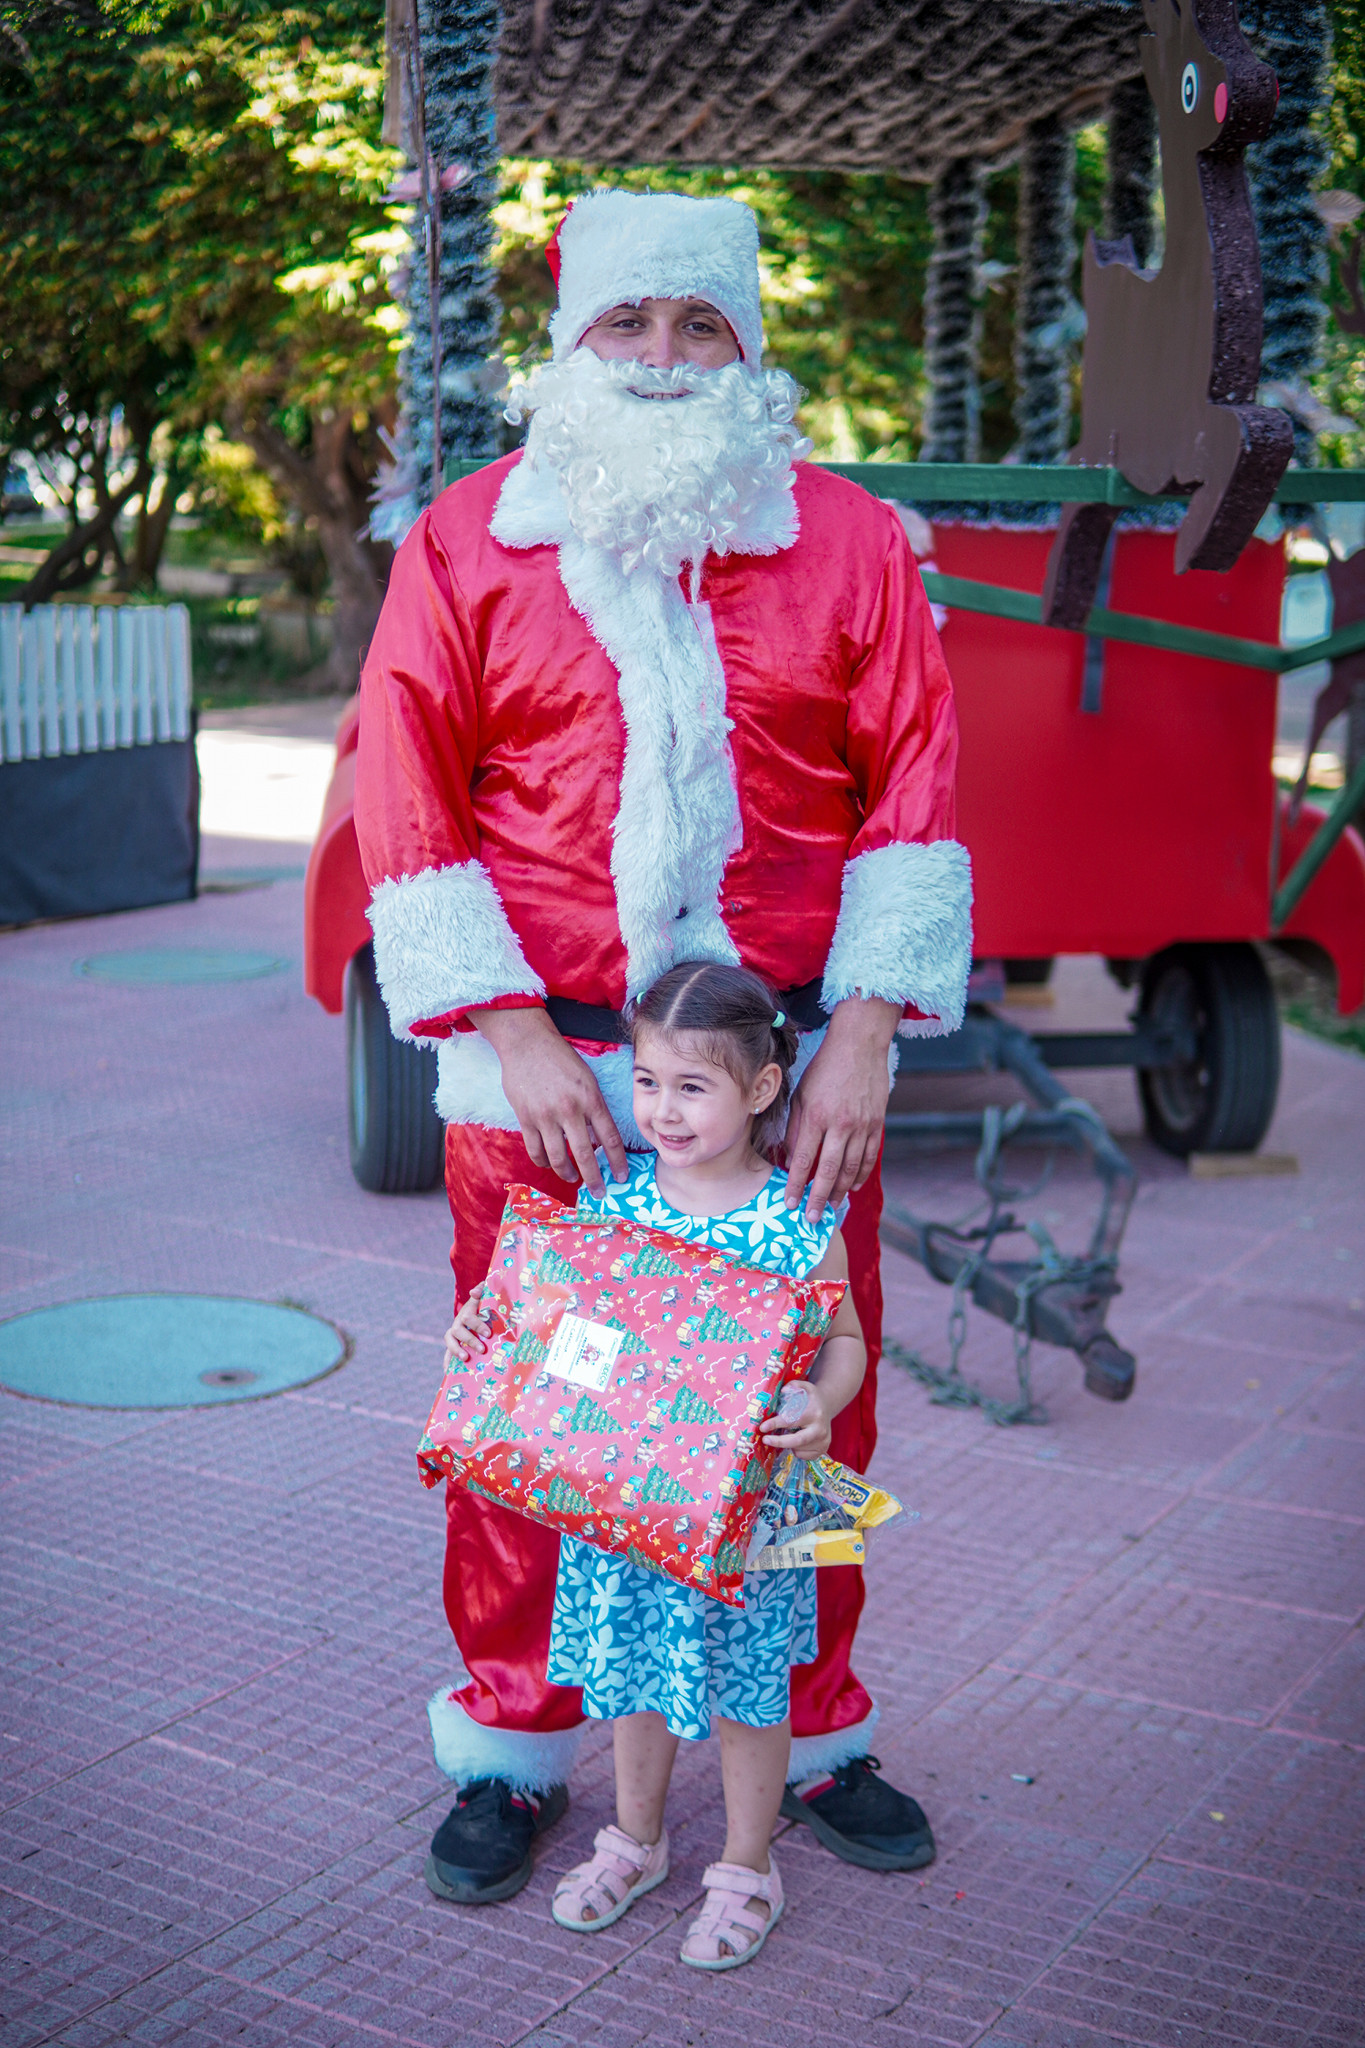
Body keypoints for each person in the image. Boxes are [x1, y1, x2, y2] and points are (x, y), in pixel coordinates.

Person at [354, 186, 972, 1904]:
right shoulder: (466, 541)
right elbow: (408, 785)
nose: (662, 354)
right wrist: (506, 1028)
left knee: (806, 1421)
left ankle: (816, 1727)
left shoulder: (850, 539)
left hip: (787, 1092)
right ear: (572, 341)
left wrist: (865, 1027)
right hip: (541, 1085)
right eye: (627, 321)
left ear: (748, 349)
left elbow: (914, 781)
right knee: (542, 1423)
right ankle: (516, 1743)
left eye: (701, 323)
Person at [444, 961, 868, 1969]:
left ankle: (748, 1864)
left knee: (750, 1690)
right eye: (646, 1081)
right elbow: (559, 1335)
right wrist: (489, 1326)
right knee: (631, 1672)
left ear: (761, 1088)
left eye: (692, 1086)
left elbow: (845, 1340)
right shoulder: (610, 1204)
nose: (662, 1110)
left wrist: (822, 1400)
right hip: (630, 1508)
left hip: (754, 1516)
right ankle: (635, 1839)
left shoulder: (802, 1219)